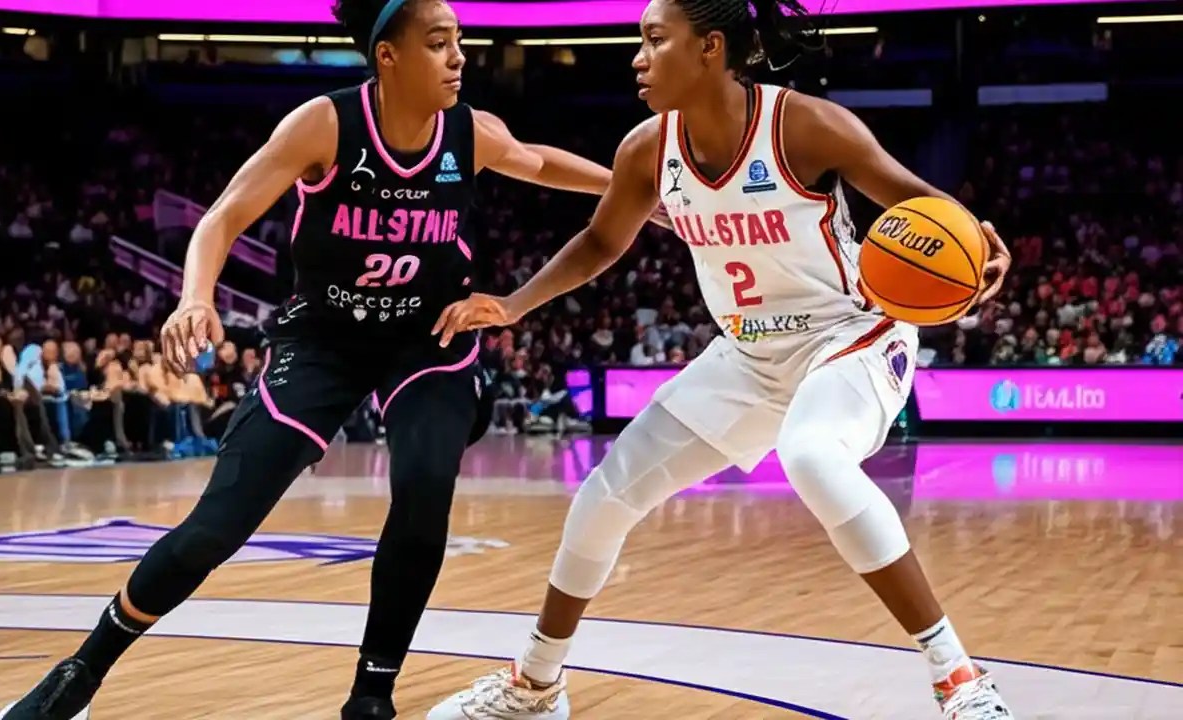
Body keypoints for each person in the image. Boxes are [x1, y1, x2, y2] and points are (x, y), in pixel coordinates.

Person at [0, 0, 635, 718]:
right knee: (216, 526)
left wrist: (637, 191)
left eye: (459, 41)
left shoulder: (471, 131)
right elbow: (224, 216)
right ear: (387, 56)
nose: (459, 57)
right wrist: (195, 297)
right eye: (437, 43)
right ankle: (78, 675)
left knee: (424, 488)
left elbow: (538, 161)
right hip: (322, 341)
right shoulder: (325, 123)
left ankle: (371, 698)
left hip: (427, 341)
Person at [425, 0, 1014, 719]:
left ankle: (960, 678)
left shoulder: (805, 126)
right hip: (748, 354)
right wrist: (515, 303)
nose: (637, 58)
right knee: (604, 496)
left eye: (653, 40)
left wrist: (983, 248)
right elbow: (602, 241)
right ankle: (535, 684)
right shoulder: (646, 148)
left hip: (851, 333)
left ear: (709, 47)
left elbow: (926, 209)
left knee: (811, 456)